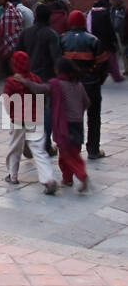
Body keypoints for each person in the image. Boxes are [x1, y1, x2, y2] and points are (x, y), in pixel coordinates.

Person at [2, 51, 58, 194]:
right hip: (35, 119)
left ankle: (13, 176)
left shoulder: (11, 82)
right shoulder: (35, 78)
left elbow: (7, 102)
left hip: (19, 120)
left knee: (15, 148)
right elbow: (42, 99)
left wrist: (12, 114)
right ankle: (48, 179)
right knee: (39, 150)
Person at [60, 11, 107, 159]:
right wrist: (96, 80)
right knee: (93, 118)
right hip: (90, 85)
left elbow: (58, 63)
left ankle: (74, 148)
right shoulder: (94, 40)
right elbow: (102, 66)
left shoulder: (62, 39)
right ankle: (93, 149)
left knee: (72, 118)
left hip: (70, 86)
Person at [20, 4, 61, 155]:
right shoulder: (51, 34)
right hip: (45, 79)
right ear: (49, 17)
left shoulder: (26, 33)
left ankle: (28, 141)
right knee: (46, 112)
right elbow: (56, 58)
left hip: (28, 78)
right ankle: (46, 144)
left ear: (36, 16)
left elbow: (18, 54)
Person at [46, 58, 90, 192]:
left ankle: (82, 175)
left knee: (68, 154)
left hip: (65, 125)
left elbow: (41, 89)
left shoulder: (58, 85)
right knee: (70, 152)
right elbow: (87, 103)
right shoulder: (79, 85)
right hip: (77, 123)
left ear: (58, 70)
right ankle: (67, 179)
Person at [0, 0, 24, 75]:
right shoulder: (17, 11)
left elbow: (3, 28)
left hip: (9, 40)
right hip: (17, 38)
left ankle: (13, 74)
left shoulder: (8, 13)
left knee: (11, 60)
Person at [112, 0, 126, 76]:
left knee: (123, 52)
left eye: (115, 1)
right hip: (113, 33)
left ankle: (126, 69)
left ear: (119, 1)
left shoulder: (124, 9)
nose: (114, 2)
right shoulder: (112, 9)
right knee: (115, 53)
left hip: (121, 33)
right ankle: (116, 71)